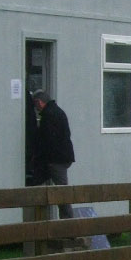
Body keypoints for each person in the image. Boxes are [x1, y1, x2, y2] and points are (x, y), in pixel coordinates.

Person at [31, 90, 75, 219]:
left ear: (39, 102)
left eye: (35, 105)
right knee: (58, 189)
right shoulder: (58, 111)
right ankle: (60, 221)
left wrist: (38, 156)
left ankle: (68, 223)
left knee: (62, 192)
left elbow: (47, 140)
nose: (36, 108)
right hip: (63, 157)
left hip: (56, 159)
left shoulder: (48, 116)